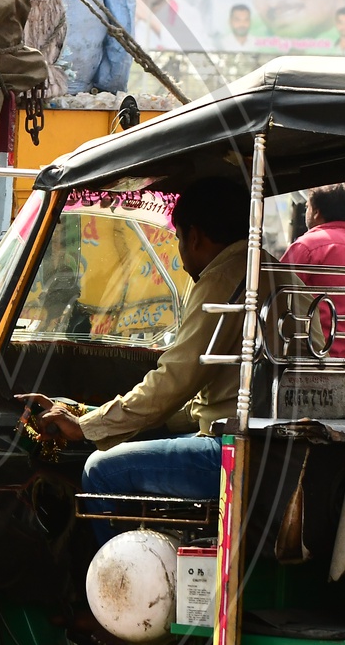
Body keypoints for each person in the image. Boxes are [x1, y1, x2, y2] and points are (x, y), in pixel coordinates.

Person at [23, 178, 289, 536]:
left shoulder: (222, 280)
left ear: (194, 236)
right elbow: (197, 403)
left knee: (101, 469)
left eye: (178, 239)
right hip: (278, 447)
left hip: (236, 454)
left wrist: (87, 428)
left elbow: (171, 385)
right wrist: (88, 414)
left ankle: (116, 589)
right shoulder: (275, 271)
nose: (180, 258)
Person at [280, 184, 345, 357]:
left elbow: (274, 293)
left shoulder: (307, 246)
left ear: (316, 212)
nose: (307, 212)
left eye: (308, 207)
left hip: (307, 354)